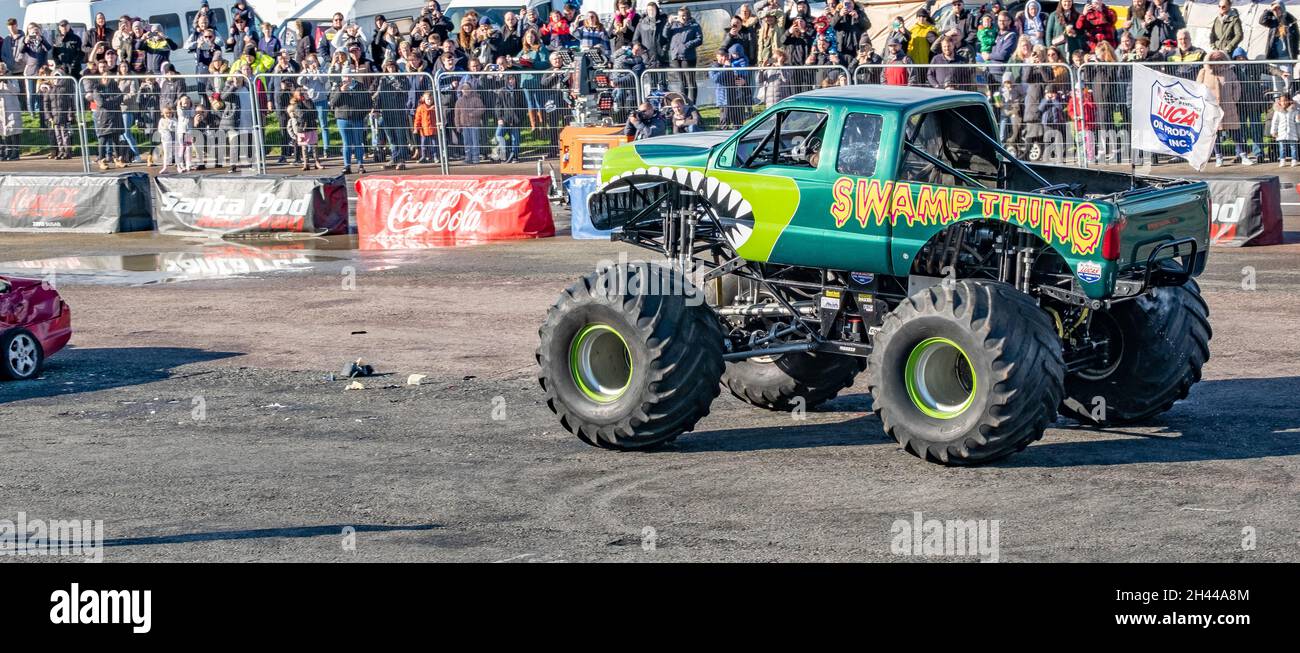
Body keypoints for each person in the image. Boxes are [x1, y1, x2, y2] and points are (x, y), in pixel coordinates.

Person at [1196, 50, 1245, 167]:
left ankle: (1243, 155)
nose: (1218, 62)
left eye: (1220, 59)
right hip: (1211, 108)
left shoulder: (1229, 72)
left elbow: (1236, 87)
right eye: (1215, 60)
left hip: (1228, 106)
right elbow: (1198, 87)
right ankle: (1219, 157)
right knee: (1214, 133)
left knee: (1235, 131)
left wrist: (1233, 99)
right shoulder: (1204, 72)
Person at [329, 75, 369, 174]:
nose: (346, 79)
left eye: (348, 76)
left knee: (358, 142)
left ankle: (360, 165)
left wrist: (361, 114)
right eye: (344, 77)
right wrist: (341, 91)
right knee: (346, 143)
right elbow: (333, 102)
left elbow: (368, 102)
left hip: (357, 119)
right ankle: (347, 166)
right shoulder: (337, 87)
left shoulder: (360, 87)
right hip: (342, 118)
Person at [666, 6, 703, 105]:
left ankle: (693, 104)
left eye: (684, 15)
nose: (682, 18)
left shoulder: (695, 25)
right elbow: (666, 36)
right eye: (679, 16)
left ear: (688, 15)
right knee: (682, 82)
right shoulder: (674, 26)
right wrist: (668, 24)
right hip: (675, 56)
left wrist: (687, 45)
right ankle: (683, 103)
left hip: (688, 57)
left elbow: (699, 39)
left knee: (691, 81)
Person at [286, 86, 322, 171]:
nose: (306, 95)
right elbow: (301, 115)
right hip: (302, 127)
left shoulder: (310, 102)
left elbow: (315, 114)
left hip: (312, 125)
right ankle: (306, 163)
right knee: (304, 147)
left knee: (314, 145)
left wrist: (307, 102)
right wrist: (310, 113)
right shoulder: (295, 104)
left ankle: (317, 162)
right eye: (304, 93)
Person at [1270, 93, 1299, 167]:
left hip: (1292, 132)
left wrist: (1298, 119)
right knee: (1282, 147)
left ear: (1290, 101)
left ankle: (1294, 159)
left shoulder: (1294, 111)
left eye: (1286, 100)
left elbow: (1297, 122)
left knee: (1293, 147)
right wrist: (1273, 131)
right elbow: (1275, 122)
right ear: (1279, 101)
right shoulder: (1277, 111)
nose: (1284, 102)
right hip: (1281, 132)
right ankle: (1282, 160)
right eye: (1282, 101)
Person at [413, 90, 439, 163]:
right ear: (424, 99)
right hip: (424, 130)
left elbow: (439, 117)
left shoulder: (435, 107)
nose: (429, 101)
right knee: (423, 145)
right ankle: (423, 156)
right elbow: (417, 119)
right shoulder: (421, 108)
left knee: (435, 145)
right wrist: (416, 128)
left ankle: (435, 157)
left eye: (431, 99)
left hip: (434, 130)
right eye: (428, 99)